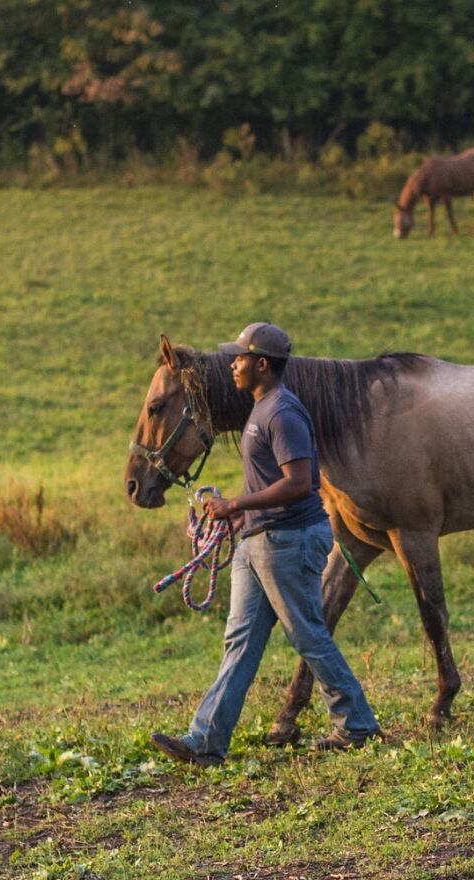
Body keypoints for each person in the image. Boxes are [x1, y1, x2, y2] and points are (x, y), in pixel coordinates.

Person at [150, 321, 381, 768]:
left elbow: (300, 484)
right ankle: (205, 740)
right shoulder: (259, 409)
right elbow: (274, 480)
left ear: (261, 364)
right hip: (259, 539)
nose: (231, 364)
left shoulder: (282, 413)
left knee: (306, 633)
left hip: (288, 540)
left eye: (239, 358)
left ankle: (357, 724)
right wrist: (240, 512)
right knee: (240, 640)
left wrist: (236, 501)